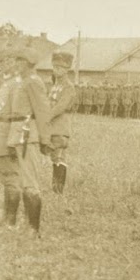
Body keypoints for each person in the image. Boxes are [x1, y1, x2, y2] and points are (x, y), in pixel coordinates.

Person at [0, 44, 51, 233]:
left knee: (30, 182)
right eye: (16, 60)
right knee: (24, 181)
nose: (17, 64)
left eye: (20, 61)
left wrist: (45, 139)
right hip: (18, 134)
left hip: (28, 135)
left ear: (29, 63)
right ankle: (27, 226)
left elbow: (42, 112)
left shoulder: (33, 82)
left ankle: (33, 229)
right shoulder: (23, 82)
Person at [45, 51, 77, 194]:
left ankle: (58, 191)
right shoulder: (54, 86)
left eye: (60, 67)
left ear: (66, 70)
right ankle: (55, 189)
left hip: (61, 126)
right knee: (54, 157)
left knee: (59, 157)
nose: (56, 70)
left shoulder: (69, 87)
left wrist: (46, 116)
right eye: (54, 67)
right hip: (52, 126)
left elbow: (61, 106)